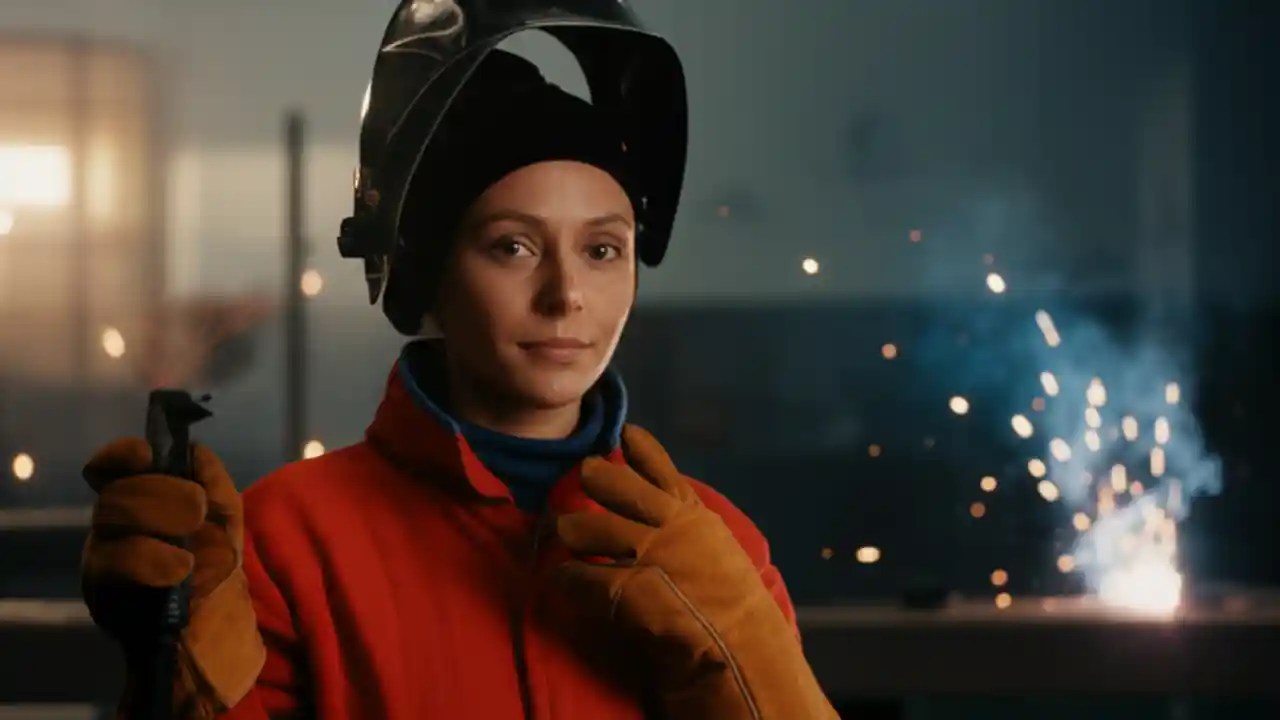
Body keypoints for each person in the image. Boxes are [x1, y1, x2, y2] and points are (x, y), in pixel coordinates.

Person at [79, 2, 838, 718]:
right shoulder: (286, 539)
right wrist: (169, 671)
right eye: (513, 246)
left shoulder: (714, 548)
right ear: (429, 274)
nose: (567, 293)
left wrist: (743, 651)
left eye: (602, 249)